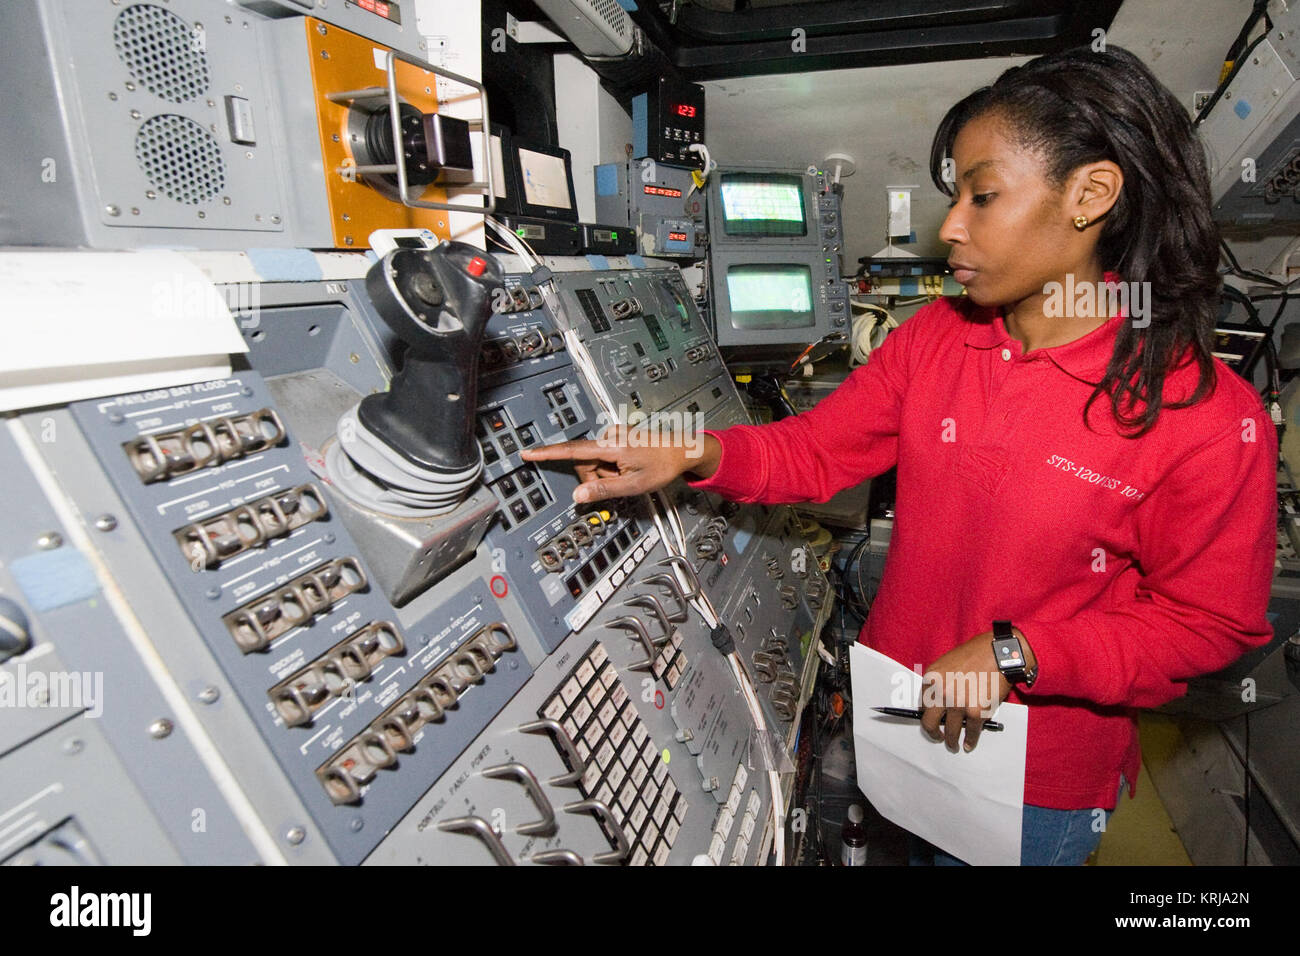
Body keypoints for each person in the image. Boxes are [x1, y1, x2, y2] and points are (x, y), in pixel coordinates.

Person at [521, 44, 1278, 865]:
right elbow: (817, 450)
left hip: (1030, 784)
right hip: (900, 721)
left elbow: (1209, 625)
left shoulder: (1202, 415)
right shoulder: (935, 341)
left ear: (1091, 194)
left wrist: (1019, 651)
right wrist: (693, 450)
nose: (951, 226)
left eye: (983, 196)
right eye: (956, 195)